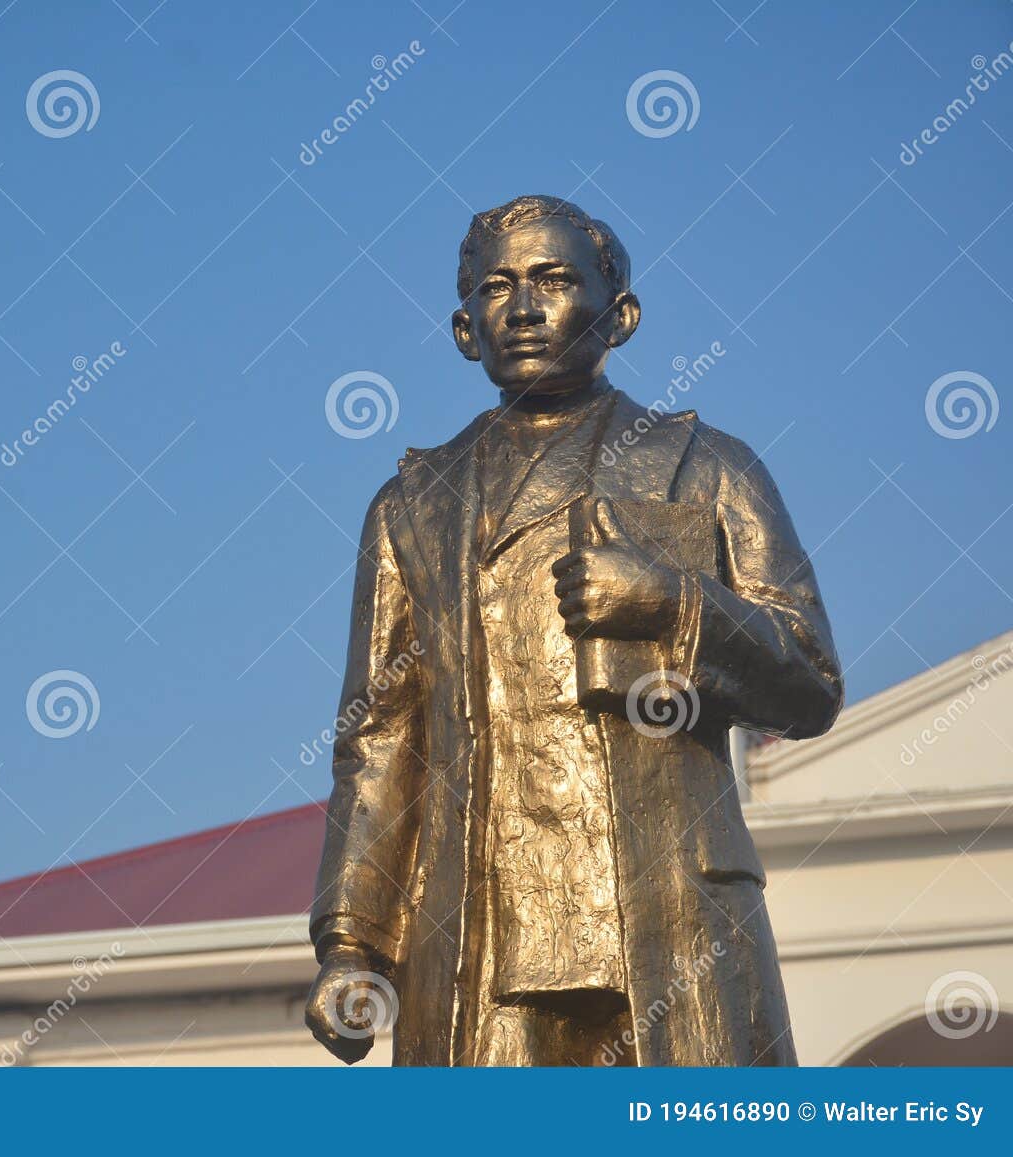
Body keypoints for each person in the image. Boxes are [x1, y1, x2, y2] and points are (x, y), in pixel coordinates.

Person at [305, 195, 843, 1066]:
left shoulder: (706, 466)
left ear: (620, 315)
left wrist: (674, 603)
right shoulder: (414, 505)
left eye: (554, 280)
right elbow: (379, 734)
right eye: (496, 288)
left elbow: (812, 677)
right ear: (463, 329)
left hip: (666, 907)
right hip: (477, 922)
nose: (522, 308)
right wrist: (352, 942)